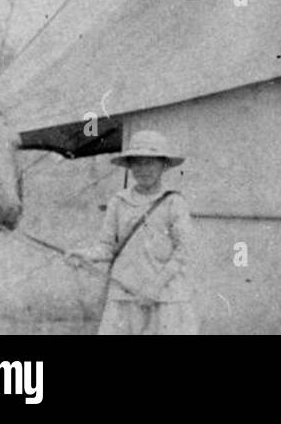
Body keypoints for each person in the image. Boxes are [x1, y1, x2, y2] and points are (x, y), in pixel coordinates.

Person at [67, 130, 199, 335]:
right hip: (124, 297)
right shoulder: (119, 202)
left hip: (166, 299)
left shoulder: (174, 202)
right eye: (137, 163)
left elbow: (184, 252)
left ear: (163, 165)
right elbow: (107, 247)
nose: (143, 170)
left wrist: (155, 287)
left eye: (150, 163)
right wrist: (84, 254)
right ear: (129, 166)